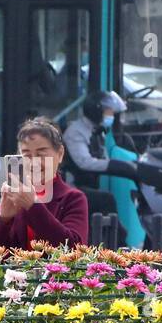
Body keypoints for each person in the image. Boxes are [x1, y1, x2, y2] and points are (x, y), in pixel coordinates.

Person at [0, 117, 88, 249]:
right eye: (27, 155)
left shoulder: (73, 198)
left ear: (60, 154)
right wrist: (3, 219)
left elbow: (74, 249)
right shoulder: (15, 195)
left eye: (41, 154)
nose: (34, 162)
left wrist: (33, 205)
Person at [63, 90, 136, 243]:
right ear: (96, 110)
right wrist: (118, 167)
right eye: (108, 111)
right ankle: (118, 243)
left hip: (87, 186)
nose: (112, 115)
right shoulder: (75, 132)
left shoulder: (98, 131)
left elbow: (103, 157)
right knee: (105, 199)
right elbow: (84, 162)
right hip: (71, 187)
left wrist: (131, 166)